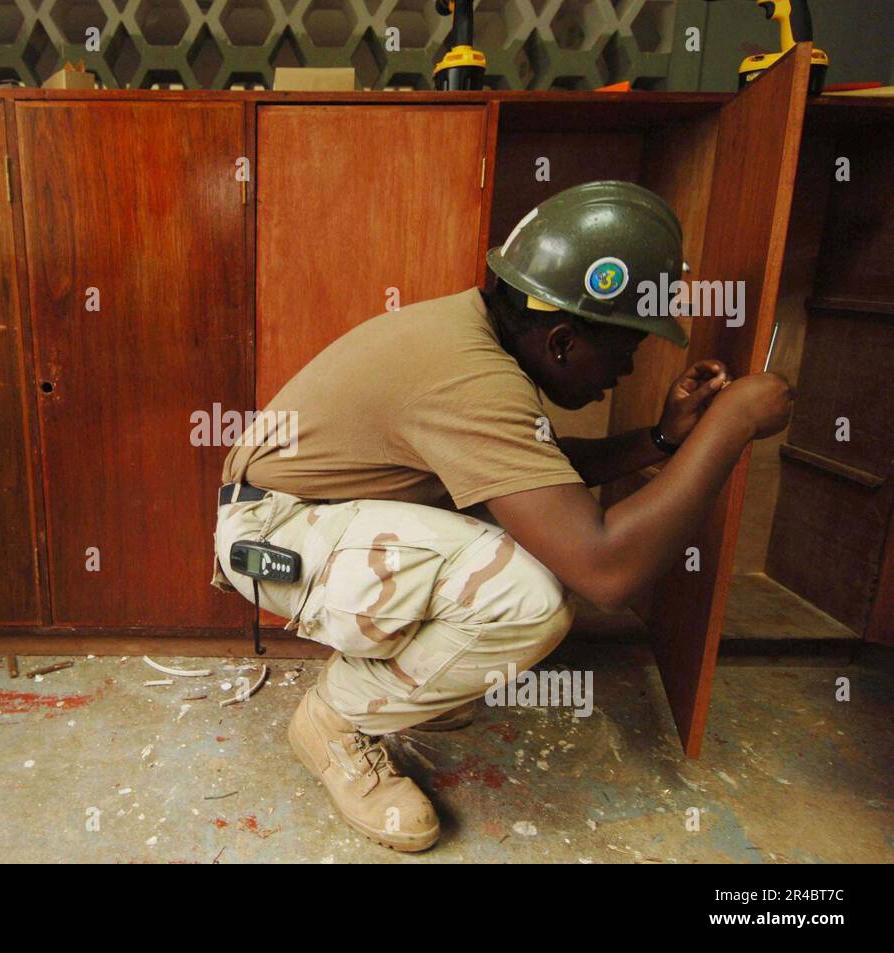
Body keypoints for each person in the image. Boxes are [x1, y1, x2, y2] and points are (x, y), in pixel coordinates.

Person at [210, 180, 794, 852]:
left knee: (534, 528)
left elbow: (531, 473)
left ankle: (408, 681)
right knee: (532, 593)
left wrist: (660, 440)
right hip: (273, 540)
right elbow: (609, 569)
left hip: (304, 523)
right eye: (625, 346)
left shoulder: (472, 336)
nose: (628, 365)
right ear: (563, 341)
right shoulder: (471, 379)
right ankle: (336, 719)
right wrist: (734, 421)